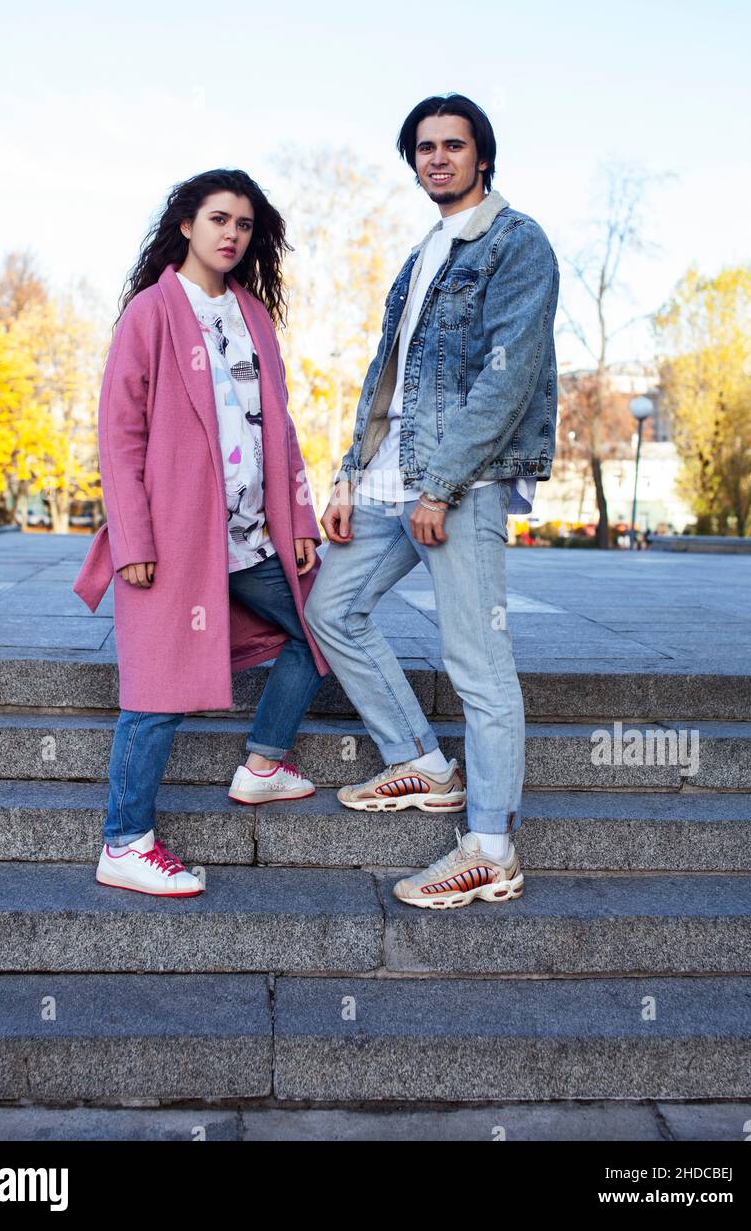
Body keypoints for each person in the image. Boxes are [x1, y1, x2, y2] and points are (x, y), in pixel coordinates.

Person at [304, 93, 559, 909]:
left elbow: (507, 377)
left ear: (482, 156)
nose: (438, 158)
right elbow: (386, 376)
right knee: (331, 607)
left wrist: (442, 484)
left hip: (460, 482)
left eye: (454, 145)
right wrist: (349, 473)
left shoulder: (517, 244)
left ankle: (490, 847)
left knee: (477, 666)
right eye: (424, 147)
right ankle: (419, 761)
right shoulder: (423, 252)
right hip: (388, 475)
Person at [73, 169, 330, 896]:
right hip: (174, 540)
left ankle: (263, 761)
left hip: (254, 539)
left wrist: (301, 518)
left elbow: (279, 426)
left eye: (244, 225)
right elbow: (119, 436)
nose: (231, 234)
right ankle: (124, 842)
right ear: (186, 224)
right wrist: (134, 542)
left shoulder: (253, 316)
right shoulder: (150, 315)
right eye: (219, 219)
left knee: (326, 627)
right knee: (155, 694)